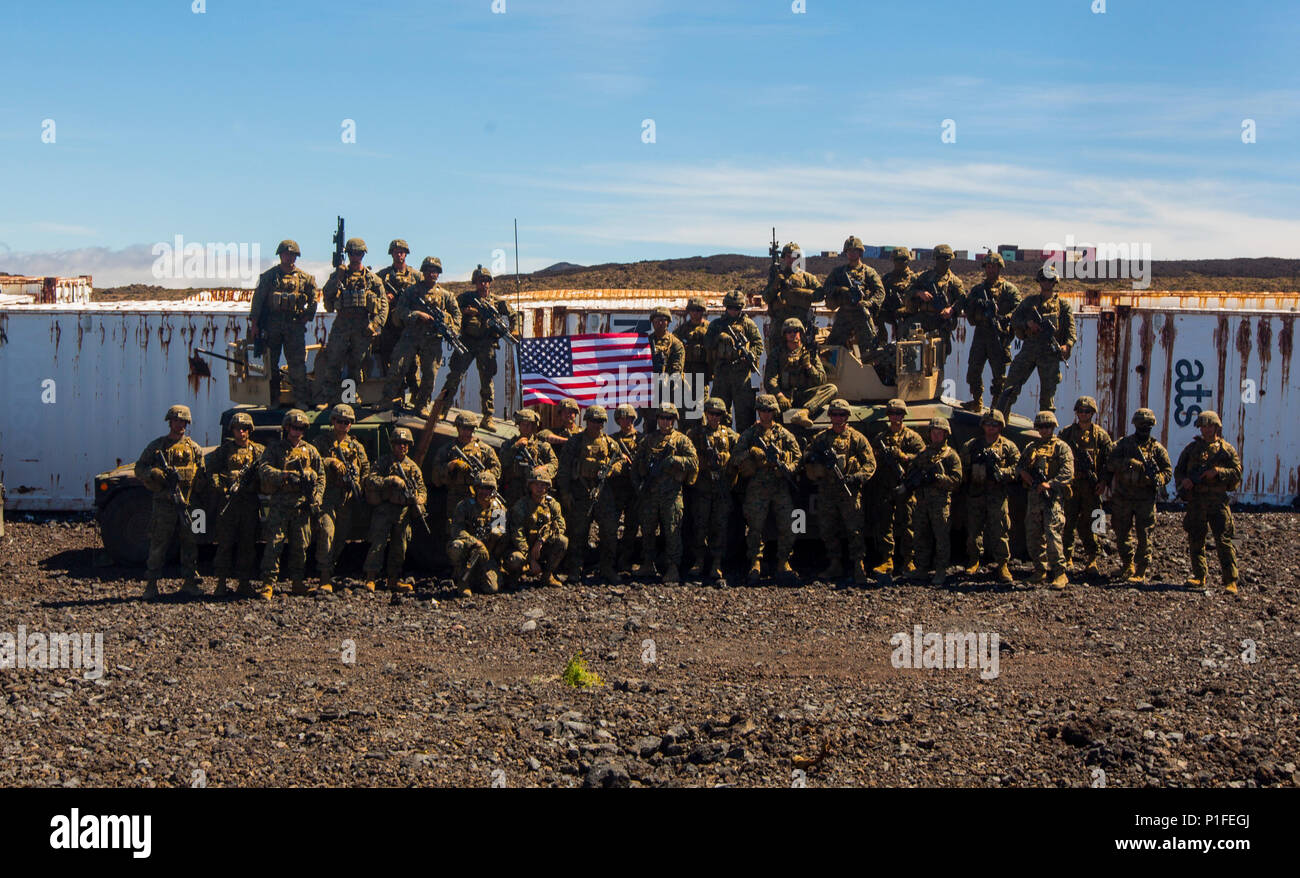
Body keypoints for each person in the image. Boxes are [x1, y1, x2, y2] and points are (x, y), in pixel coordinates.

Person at [800, 398, 876, 584]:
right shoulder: (822, 438)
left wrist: (857, 477)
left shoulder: (857, 438)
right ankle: (835, 564)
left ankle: (859, 565)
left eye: (841, 414)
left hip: (849, 491)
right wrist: (816, 457)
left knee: (855, 530)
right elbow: (806, 456)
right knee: (828, 529)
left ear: (847, 416)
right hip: (827, 492)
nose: (838, 418)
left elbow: (870, 463)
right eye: (834, 414)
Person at [729, 394, 802, 584]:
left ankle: (783, 562)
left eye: (769, 411)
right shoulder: (751, 434)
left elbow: (797, 457)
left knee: (790, 524)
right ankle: (755, 562)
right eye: (762, 410)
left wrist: (787, 467)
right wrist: (752, 453)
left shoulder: (783, 434)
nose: (766, 415)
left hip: (779, 485)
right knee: (755, 527)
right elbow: (735, 457)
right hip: (758, 486)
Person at [437, 265, 521, 430]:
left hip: (487, 343)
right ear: (475, 283)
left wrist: (514, 329)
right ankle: (442, 410)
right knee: (454, 377)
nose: (483, 284)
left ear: (490, 283)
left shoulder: (497, 301)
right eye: (480, 281)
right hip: (468, 341)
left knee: (487, 382)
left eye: (486, 281)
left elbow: (513, 315)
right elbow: (451, 310)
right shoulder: (467, 297)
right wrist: (466, 312)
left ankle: (488, 417)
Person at [135, 405, 206, 600]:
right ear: (170, 422)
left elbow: (202, 474)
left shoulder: (194, 448)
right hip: (165, 503)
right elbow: (139, 467)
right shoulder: (158, 447)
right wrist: (153, 474)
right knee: (159, 543)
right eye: (177, 421)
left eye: (183, 421)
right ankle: (152, 584)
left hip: (189, 504)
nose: (180, 425)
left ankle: (190, 582)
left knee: (191, 542)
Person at [256, 409, 325, 599]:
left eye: (301, 428)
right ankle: (268, 583)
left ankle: (297, 581)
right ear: (287, 427)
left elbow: (321, 476)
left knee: (300, 546)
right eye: (295, 427)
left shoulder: (310, 450)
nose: (298, 431)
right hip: (280, 504)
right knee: (274, 544)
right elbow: (264, 469)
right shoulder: (276, 448)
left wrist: (317, 498)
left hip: (301, 505)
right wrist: (284, 475)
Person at [1174, 410, 1242, 594]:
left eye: (1209, 426)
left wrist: (1218, 472)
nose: (1206, 430)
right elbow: (1179, 470)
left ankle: (1230, 580)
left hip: (1218, 501)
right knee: (1196, 538)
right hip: (1197, 500)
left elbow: (1237, 472)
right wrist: (1184, 482)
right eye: (1203, 426)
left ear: (1216, 427)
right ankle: (1199, 575)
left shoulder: (1226, 450)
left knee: (1225, 540)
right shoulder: (1191, 449)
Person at [384, 256, 461, 416]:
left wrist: (450, 325)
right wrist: (416, 314)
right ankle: (386, 400)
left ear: (438, 274)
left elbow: (457, 315)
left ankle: (422, 405)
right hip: (411, 336)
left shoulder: (446, 295)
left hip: (432, 339)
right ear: (423, 272)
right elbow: (399, 311)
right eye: (428, 270)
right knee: (398, 367)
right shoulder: (411, 292)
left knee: (430, 375)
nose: (431, 274)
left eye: (434, 271)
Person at [997, 265, 1076, 418]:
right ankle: (1000, 421)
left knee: (1048, 397)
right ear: (1039, 281)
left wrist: (1067, 345)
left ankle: (1045, 430)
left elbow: (1071, 330)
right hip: (1029, 349)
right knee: (1010, 387)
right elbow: (1014, 318)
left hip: (1049, 353)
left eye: (1050, 280)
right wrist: (1028, 324)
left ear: (1055, 282)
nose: (1046, 283)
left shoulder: (1063, 306)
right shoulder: (1030, 302)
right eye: (1043, 280)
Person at [248, 240, 319, 409]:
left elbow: (314, 299)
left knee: (297, 364)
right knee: (271, 364)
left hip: (294, 325)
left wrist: (307, 316)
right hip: (272, 324)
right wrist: (255, 324)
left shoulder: (305, 278)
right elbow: (257, 301)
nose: (289, 258)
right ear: (280, 255)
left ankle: (300, 400)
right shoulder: (269, 277)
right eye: (286, 254)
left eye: (293, 255)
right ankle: (273, 399)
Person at [318, 237, 387, 406]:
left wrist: (375, 324)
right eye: (352, 253)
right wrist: (338, 278)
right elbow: (327, 299)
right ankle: (328, 398)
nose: (356, 257)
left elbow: (384, 305)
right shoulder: (338, 276)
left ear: (363, 255)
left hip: (362, 327)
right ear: (348, 255)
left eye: (359, 253)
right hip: (341, 325)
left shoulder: (372, 279)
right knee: (333, 361)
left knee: (357, 364)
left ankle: (351, 397)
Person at [634, 403, 699, 583]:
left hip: (671, 495)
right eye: (662, 418)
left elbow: (694, 461)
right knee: (647, 530)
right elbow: (637, 463)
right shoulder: (648, 440)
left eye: (669, 418)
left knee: (672, 531)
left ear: (674, 420)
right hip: (650, 493)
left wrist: (674, 460)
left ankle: (672, 567)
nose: (665, 422)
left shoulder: (681, 440)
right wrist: (638, 485)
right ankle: (647, 563)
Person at [1106, 408, 1173, 585]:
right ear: (1135, 425)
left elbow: (1167, 471)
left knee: (1145, 535)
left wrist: (1156, 478)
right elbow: (1110, 463)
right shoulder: (1124, 445)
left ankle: (1141, 570)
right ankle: (1128, 565)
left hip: (1145, 499)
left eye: (1148, 425)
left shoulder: (1157, 449)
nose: (1144, 428)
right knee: (1121, 532)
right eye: (1141, 424)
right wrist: (1128, 463)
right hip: (1123, 497)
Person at [555, 405, 620, 582]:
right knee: (578, 532)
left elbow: (620, 460)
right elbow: (564, 469)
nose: (597, 425)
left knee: (609, 531)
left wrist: (613, 469)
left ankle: (606, 568)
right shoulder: (575, 442)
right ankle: (575, 568)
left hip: (603, 493)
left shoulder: (610, 443)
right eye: (593, 421)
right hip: (580, 492)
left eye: (600, 421)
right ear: (587, 421)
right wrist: (566, 492)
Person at [311, 404, 369, 593]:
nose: (344, 425)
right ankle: (324, 575)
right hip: (327, 495)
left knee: (341, 536)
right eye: (340, 421)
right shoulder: (321, 442)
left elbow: (366, 468)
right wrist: (330, 462)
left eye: (348, 422)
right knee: (327, 532)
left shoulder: (355, 446)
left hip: (346, 498)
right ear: (333, 422)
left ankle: (331, 567)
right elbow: (313, 462)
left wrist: (360, 483)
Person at [361, 426, 425, 593]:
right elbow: (370, 481)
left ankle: (393, 579)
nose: (401, 447)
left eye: (405, 444)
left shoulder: (413, 467)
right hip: (385, 508)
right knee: (378, 543)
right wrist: (389, 480)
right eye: (398, 443)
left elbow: (422, 489)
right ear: (392, 445)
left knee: (400, 547)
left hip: (403, 511)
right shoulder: (383, 462)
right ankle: (371, 578)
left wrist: (419, 501)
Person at [958, 410, 1019, 583]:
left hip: (997, 494)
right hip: (976, 493)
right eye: (988, 424)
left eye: (995, 424)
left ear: (1000, 426)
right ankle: (973, 560)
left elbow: (1018, 468)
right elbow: (960, 467)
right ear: (982, 425)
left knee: (1000, 531)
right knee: (973, 531)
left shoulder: (1008, 446)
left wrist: (1002, 472)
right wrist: (974, 464)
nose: (991, 428)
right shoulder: (972, 445)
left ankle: (1002, 564)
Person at [207, 411, 264, 597]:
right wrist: (220, 486)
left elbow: (267, 471)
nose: (242, 432)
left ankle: (244, 581)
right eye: (238, 428)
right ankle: (221, 581)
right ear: (232, 430)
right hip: (229, 504)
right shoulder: (224, 451)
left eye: (245, 428)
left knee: (248, 543)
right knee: (225, 543)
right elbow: (211, 471)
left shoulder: (258, 451)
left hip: (249, 503)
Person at [1017, 411, 1074, 588]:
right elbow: (1020, 467)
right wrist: (1028, 478)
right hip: (1034, 497)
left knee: (1052, 535)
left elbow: (1068, 472)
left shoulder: (1061, 447)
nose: (1044, 430)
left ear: (1053, 427)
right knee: (1033, 535)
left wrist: (1050, 484)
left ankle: (1059, 573)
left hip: (1052, 498)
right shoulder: (1031, 447)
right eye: (1041, 427)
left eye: (1047, 426)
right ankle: (1039, 570)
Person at [869, 398, 926, 575]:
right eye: (892, 413)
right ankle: (887, 560)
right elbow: (871, 459)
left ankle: (909, 560)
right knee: (885, 524)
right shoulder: (881, 438)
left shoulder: (912, 437)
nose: (895, 417)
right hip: (885, 486)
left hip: (906, 486)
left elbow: (923, 458)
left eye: (899, 413)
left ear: (904, 416)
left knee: (908, 523)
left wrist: (904, 457)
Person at [1058, 396, 1114, 575]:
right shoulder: (1067, 434)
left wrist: (1104, 481)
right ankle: (1067, 556)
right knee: (1067, 520)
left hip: (1092, 486)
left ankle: (1093, 558)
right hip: (1072, 484)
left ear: (1093, 413)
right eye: (1081, 411)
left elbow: (1108, 461)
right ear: (1076, 412)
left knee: (1096, 520)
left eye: (1087, 412)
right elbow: (1058, 457)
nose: (1084, 414)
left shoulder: (1101, 435)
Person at [907, 416, 963, 585]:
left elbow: (957, 480)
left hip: (940, 502)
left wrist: (939, 478)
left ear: (946, 435)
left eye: (940, 433)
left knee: (941, 537)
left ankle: (940, 570)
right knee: (920, 535)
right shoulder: (923, 454)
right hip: (922, 501)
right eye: (934, 432)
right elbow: (912, 472)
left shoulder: (950, 456)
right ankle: (922, 568)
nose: (936, 436)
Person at [686, 397, 738, 582]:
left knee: (720, 525)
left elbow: (741, 453)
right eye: (711, 414)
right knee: (700, 524)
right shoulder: (695, 433)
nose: (714, 418)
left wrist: (728, 462)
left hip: (722, 487)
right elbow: (687, 455)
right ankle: (699, 560)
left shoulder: (729, 435)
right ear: (706, 414)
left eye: (718, 414)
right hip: (703, 487)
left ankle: (716, 562)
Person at [961, 252, 1021, 412]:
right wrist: (977, 305)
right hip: (981, 334)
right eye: (988, 266)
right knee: (973, 370)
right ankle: (976, 401)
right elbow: (968, 308)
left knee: (999, 377)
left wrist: (1005, 318)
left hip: (999, 335)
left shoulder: (1009, 289)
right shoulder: (978, 290)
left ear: (1000, 268)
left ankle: (996, 406)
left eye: (994, 266)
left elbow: (1019, 309)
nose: (991, 269)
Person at [704, 290, 763, 432]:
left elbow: (758, 344)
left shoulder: (748, 324)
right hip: (722, 374)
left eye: (736, 308)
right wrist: (719, 337)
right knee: (719, 413)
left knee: (745, 416)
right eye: (730, 307)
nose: (733, 311)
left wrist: (750, 355)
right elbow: (707, 343)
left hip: (742, 376)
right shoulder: (716, 325)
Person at [764, 318, 837, 430]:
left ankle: (804, 412)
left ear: (801, 333)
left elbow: (822, 380)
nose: (792, 334)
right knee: (767, 405)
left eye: (795, 330)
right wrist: (779, 396)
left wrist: (808, 366)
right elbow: (770, 380)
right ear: (784, 335)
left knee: (832, 388)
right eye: (789, 331)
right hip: (785, 396)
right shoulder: (777, 353)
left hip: (805, 395)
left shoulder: (808, 353)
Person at [505, 468, 568, 589]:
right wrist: (530, 559)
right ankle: (515, 576)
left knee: (562, 541)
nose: (539, 488)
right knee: (516, 559)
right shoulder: (521, 506)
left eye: (543, 484)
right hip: (523, 548)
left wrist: (542, 540)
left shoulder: (552, 504)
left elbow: (561, 526)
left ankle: (547, 576)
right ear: (530, 486)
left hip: (542, 547)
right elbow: (517, 535)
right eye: (536, 484)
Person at [447, 472, 509, 596]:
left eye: (488, 488)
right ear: (475, 489)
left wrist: (493, 537)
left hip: (488, 553)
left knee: (492, 589)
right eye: (481, 488)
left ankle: (484, 575)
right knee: (456, 546)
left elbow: (501, 533)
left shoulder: (498, 509)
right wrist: (476, 543)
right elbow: (456, 530)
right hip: (468, 550)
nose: (484, 492)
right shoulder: (464, 506)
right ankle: (462, 580)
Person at [374, 239, 422, 399]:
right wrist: (384, 298)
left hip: (410, 327)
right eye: (396, 251)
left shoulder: (416, 276)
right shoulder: (382, 276)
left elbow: (426, 296)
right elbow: (373, 296)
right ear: (391, 253)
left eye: (402, 251)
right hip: (390, 328)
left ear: (406, 254)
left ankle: (417, 399)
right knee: (391, 364)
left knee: (413, 365)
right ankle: (396, 398)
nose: (399, 254)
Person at [431, 412, 502, 518]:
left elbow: (497, 469)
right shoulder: (447, 450)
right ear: (458, 428)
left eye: (470, 429)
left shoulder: (484, 449)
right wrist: (450, 466)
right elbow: (435, 477)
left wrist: (484, 475)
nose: (467, 432)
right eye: (464, 428)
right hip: (455, 496)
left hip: (480, 496)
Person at [903, 244, 966, 363]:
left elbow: (962, 300)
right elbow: (907, 292)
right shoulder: (924, 277)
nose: (943, 262)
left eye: (946, 258)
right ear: (935, 259)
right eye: (940, 258)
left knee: (939, 355)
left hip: (942, 320)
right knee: (906, 331)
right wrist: (919, 293)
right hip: (924, 317)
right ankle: (909, 364)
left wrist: (951, 310)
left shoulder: (954, 281)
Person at [822, 236, 886, 350]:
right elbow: (826, 287)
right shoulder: (839, 272)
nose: (851, 253)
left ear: (860, 252)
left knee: (870, 349)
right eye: (849, 251)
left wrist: (869, 303)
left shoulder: (868, 272)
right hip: (844, 313)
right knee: (832, 348)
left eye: (855, 250)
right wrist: (840, 289)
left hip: (861, 313)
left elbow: (880, 292)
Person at [602, 403, 642, 575]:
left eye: (629, 418)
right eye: (621, 418)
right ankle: (608, 562)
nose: (625, 421)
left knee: (632, 527)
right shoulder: (612, 440)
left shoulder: (642, 440)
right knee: (610, 527)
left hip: (635, 490)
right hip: (617, 490)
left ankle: (625, 560)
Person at [762, 242, 822, 356]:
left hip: (800, 326)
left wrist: (800, 292)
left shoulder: (806, 277)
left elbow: (820, 294)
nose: (791, 259)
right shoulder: (777, 276)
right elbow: (766, 297)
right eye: (788, 256)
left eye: (794, 256)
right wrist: (775, 285)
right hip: (779, 327)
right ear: (784, 258)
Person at [498, 409, 558, 506]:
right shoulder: (508, 444)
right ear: (519, 425)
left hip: (537, 490)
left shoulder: (542, 446)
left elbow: (554, 463)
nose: (527, 428)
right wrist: (515, 447)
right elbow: (502, 462)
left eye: (530, 424)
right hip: (515, 491)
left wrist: (544, 468)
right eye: (524, 424)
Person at [644, 306, 686, 435]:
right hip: (650, 391)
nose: (660, 323)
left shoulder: (675, 344)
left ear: (668, 322)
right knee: (650, 425)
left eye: (663, 320)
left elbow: (677, 369)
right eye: (657, 320)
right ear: (652, 322)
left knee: (669, 425)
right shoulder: (645, 341)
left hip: (670, 391)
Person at [673, 297, 712, 409]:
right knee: (685, 408)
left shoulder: (710, 329)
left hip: (703, 374)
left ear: (703, 311)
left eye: (698, 310)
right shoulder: (681, 330)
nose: (695, 313)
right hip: (686, 374)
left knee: (701, 408)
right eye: (693, 310)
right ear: (689, 311)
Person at [879, 248, 917, 341]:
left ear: (907, 261)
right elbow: (880, 294)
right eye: (897, 260)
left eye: (903, 260)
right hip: (891, 313)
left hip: (908, 315)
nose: (899, 263)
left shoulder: (914, 279)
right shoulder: (887, 279)